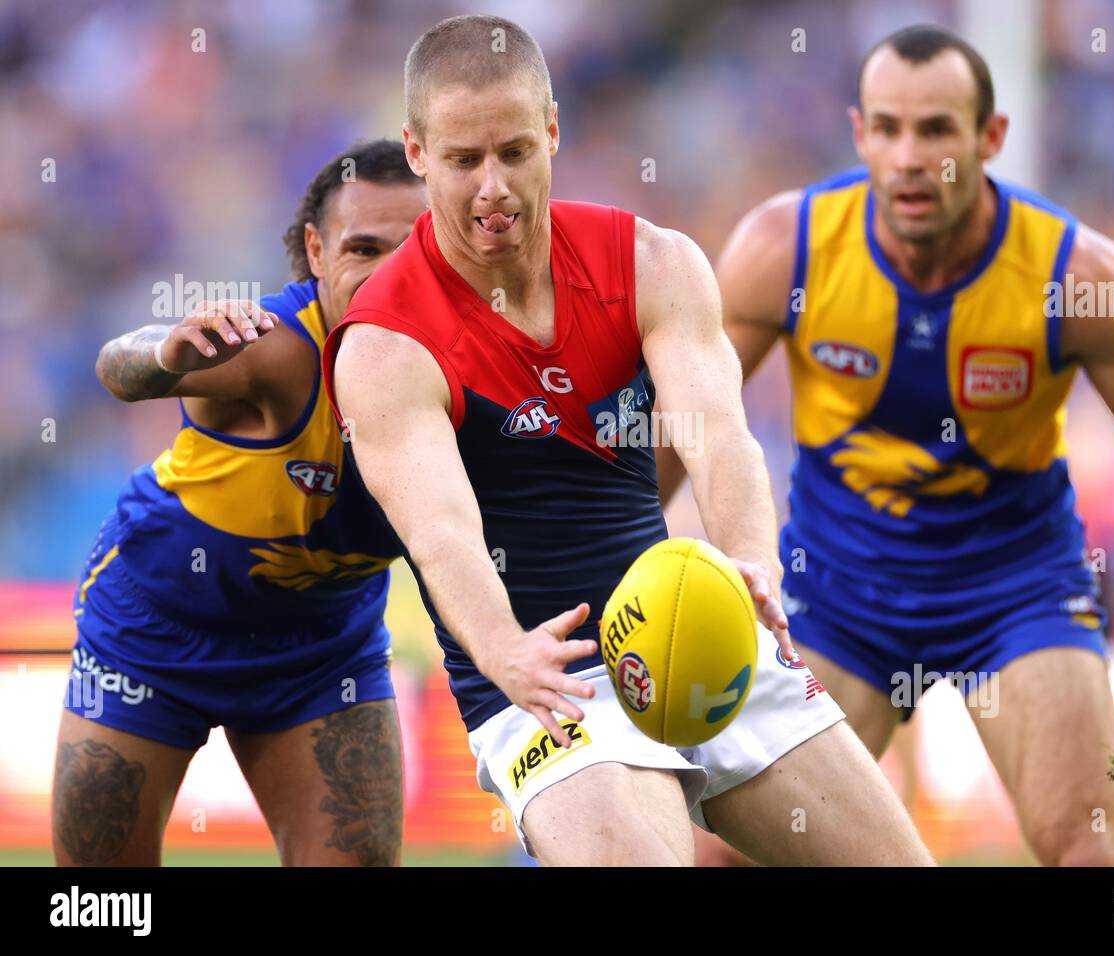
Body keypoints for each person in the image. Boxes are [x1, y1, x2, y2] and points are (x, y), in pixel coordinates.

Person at [660, 24, 1114, 866]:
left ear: (991, 139)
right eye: (888, 129)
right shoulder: (786, 251)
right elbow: (680, 420)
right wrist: (596, 568)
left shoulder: (1078, 276)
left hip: (1018, 595)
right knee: (721, 854)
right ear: (860, 134)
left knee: (1093, 853)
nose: (910, 157)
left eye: (936, 130)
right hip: (837, 596)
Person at [325, 14, 932, 867]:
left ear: (554, 131)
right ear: (418, 152)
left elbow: (718, 437)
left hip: (694, 634)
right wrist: (506, 652)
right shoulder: (385, 342)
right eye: (464, 160)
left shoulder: (652, 262)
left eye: (514, 152)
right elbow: (441, 532)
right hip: (547, 682)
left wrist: (752, 558)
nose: (492, 186)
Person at [55, 140, 427, 866]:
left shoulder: (488, 366)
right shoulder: (276, 350)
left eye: (414, 249)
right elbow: (119, 366)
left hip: (324, 647)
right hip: (154, 629)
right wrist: (169, 353)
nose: (390, 275)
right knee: (99, 904)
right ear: (315, 252)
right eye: (364, 248)